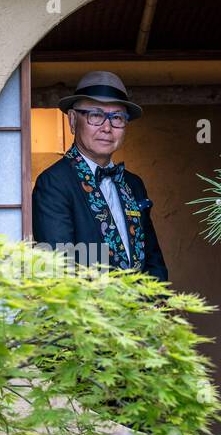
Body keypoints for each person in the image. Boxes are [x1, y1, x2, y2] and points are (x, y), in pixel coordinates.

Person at [31, 70, 168, 282]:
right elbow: (59, 268)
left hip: (143, 313)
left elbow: (153, 258)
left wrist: (157, 304)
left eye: (117, 118)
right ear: (73, 120)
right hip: (87, 312)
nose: (107, 127)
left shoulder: (133, 184)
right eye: (95, 115)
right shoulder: (53, 183)